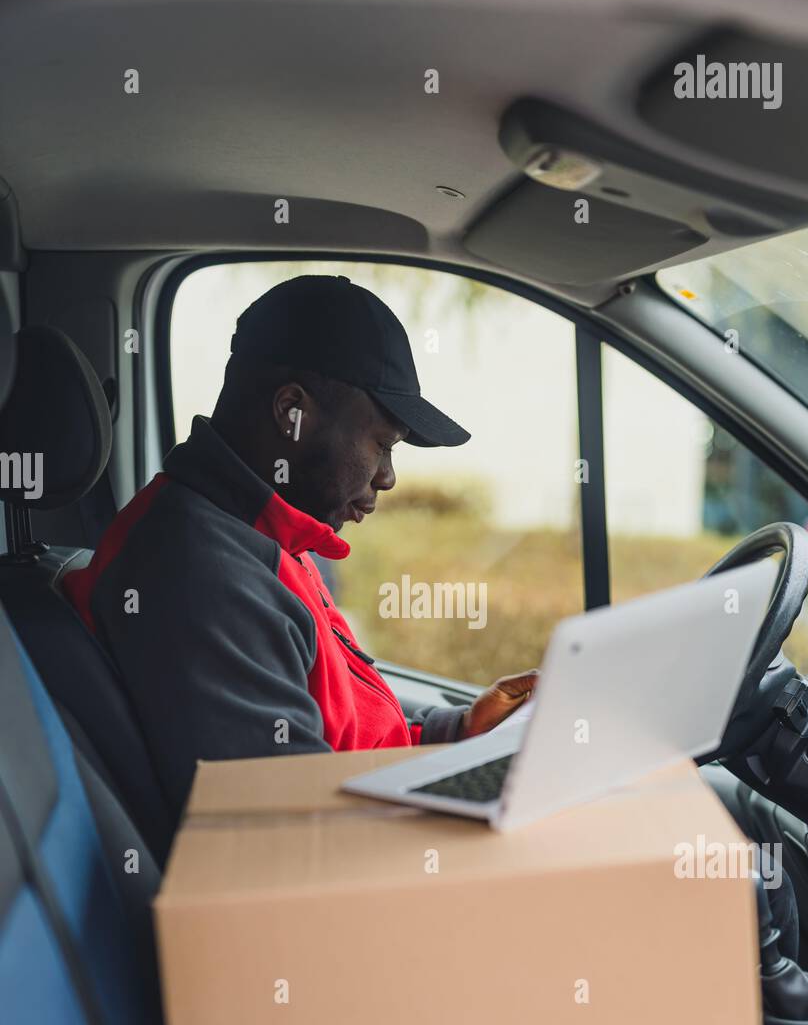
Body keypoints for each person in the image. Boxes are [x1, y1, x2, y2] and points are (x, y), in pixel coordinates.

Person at [64, 275, 537, 824]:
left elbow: (338, 728)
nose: (387, 477)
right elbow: (292, 831)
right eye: (382, 444)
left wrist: (456, 731)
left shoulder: (263, 538)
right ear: (292, 410)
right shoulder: (199, 573)